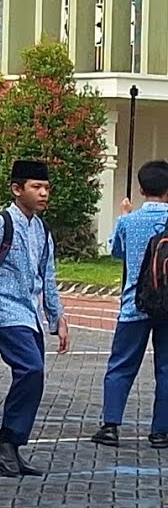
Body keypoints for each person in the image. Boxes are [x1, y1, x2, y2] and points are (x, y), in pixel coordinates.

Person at [0, 159, 69, 477]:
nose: (43, 194)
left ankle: (12, 443)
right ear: (17, 189)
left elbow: (48, 276)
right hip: (5, 310)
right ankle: (6, 439)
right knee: (31, 369)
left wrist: (58, 318)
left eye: (46, 188)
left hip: (31, 314)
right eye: (36, 187)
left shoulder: (42, 229)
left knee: (34, 377)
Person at [92, 160, 168, 449]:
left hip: (134, 303)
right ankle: (161, 430)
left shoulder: (129, 220)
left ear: (140, 188)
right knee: (166, 368)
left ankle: (110, 425)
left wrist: (124, 215)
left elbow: (116, 252)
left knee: (121, 364)